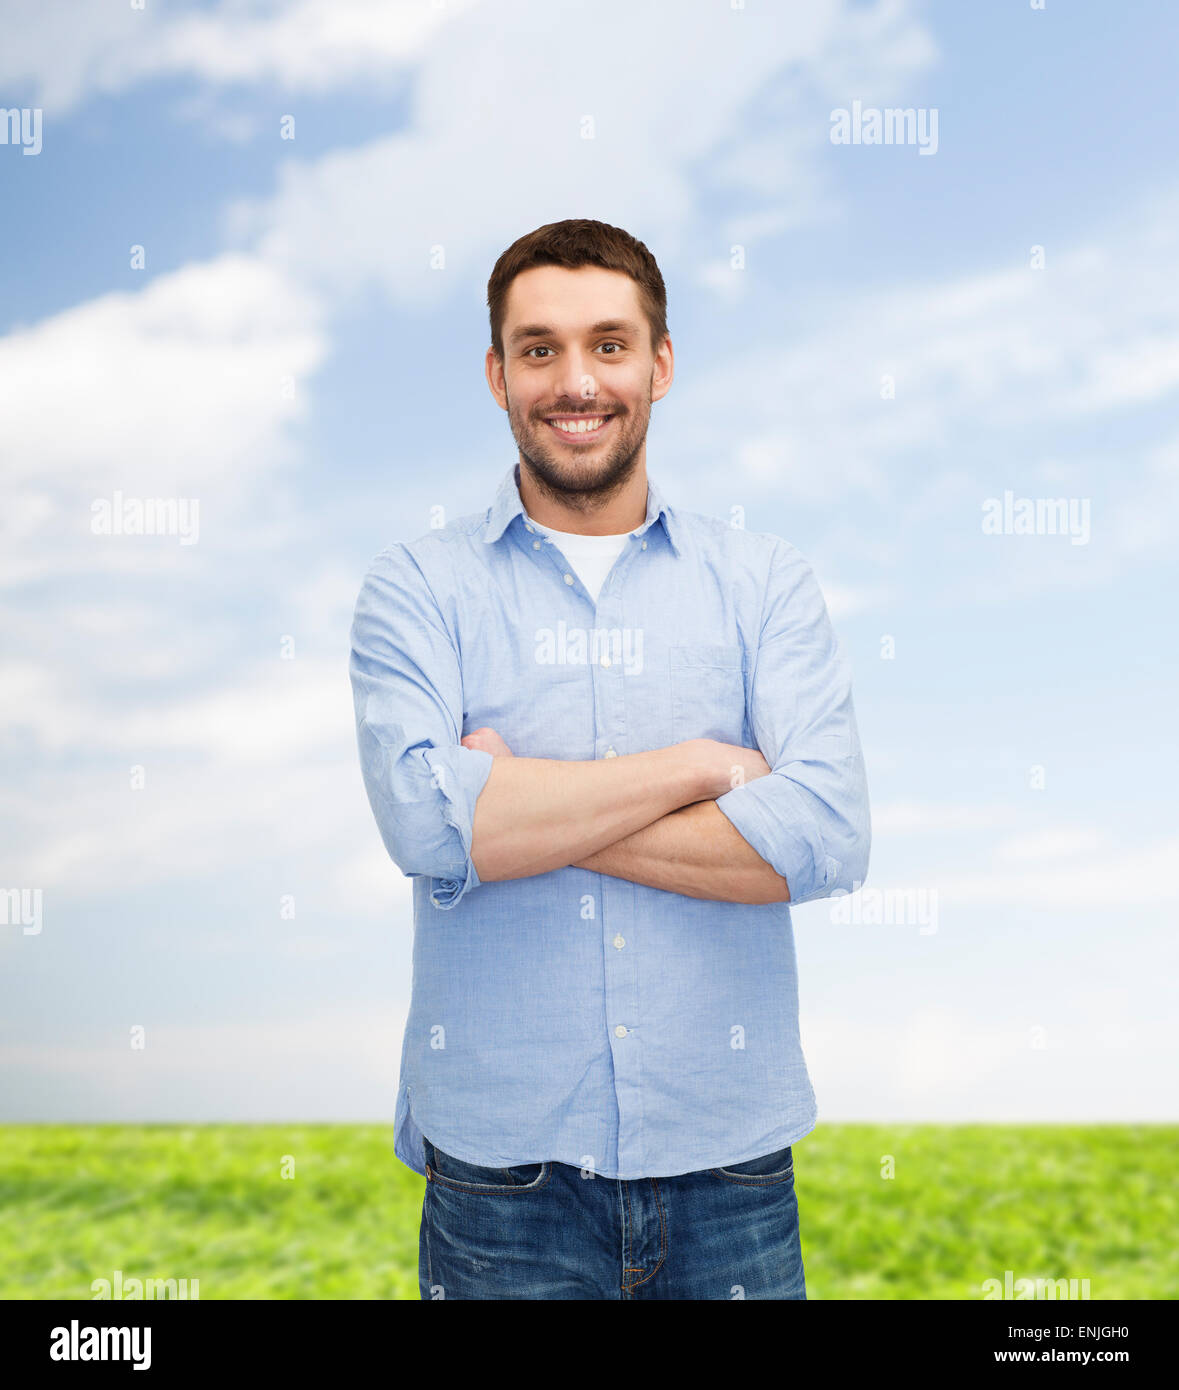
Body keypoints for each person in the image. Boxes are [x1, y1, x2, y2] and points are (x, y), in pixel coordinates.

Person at [349, 218, 871, 1299]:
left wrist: (519, 812)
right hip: (501, 1186)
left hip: (731, 1168)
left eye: (608, 344)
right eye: (538, 349)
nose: (574, 380)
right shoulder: (417, 587)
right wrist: (699, 766)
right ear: (497, 374)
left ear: (660, 364)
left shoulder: (765, 582)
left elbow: (821, 836)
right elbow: (426, 824)